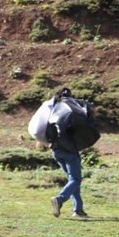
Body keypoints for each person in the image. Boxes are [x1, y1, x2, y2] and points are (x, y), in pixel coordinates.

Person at [48, 87, 92, 219]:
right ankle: (59, 200)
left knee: (72, 180)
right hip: (69, 151)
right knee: (76, 179)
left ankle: (78, 210)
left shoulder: (52, 109)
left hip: (56, 151)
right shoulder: (72, 111)